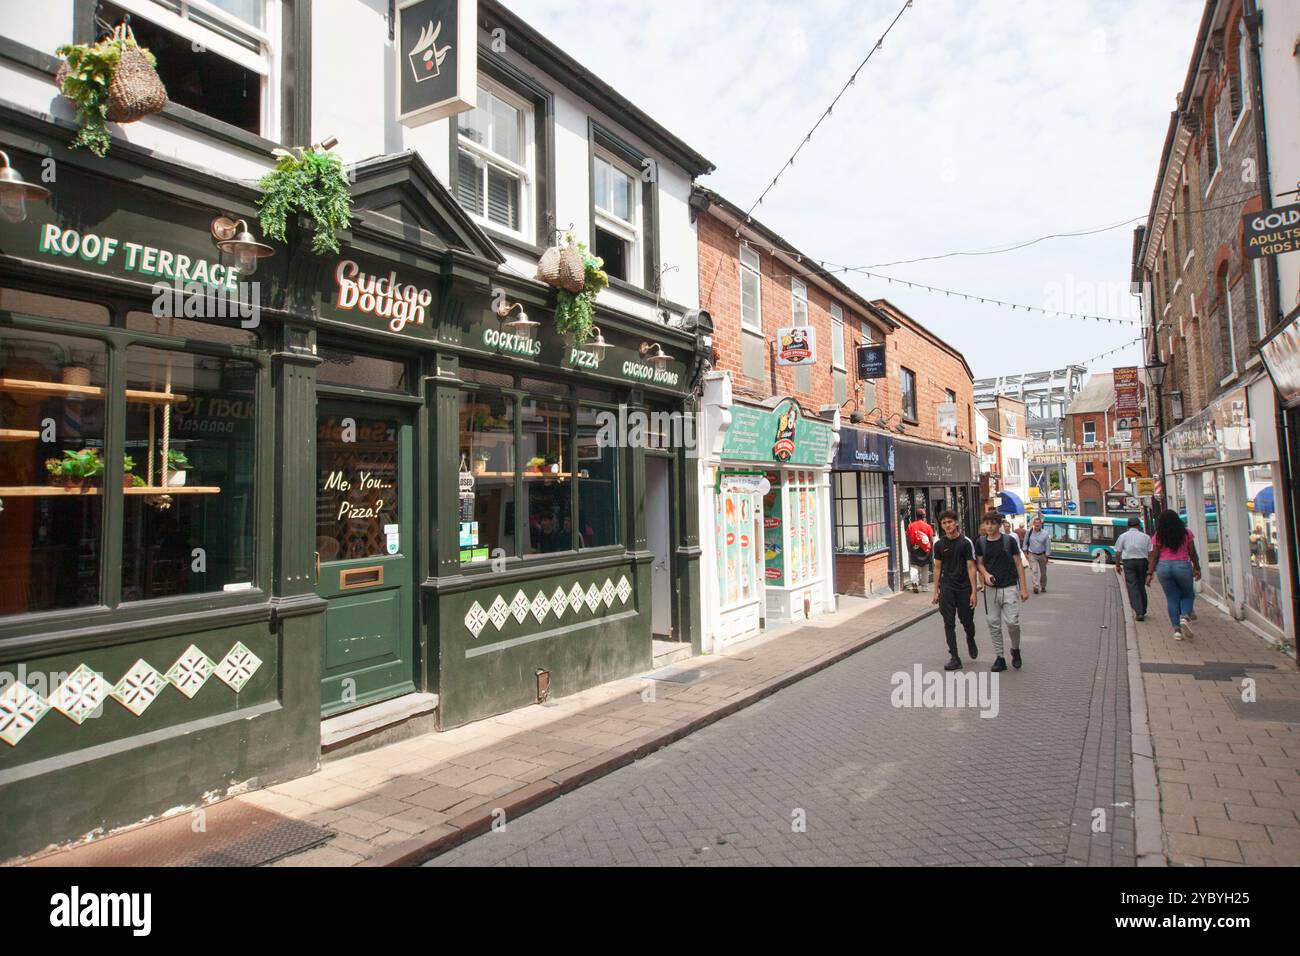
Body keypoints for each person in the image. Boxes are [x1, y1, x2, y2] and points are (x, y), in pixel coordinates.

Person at [976, 510, 1029, 672]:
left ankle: (1015, 649)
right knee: (993, 623)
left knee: (1012, 622)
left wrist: (1023, 588)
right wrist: (985, 575)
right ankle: (1000, 657)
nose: (990, 526)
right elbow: (979, 563)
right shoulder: (981, 543)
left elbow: (1019, 564)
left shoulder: (1009, 541)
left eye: (993, 523)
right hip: (991, 589)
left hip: (1009, 586)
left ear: (999, 525)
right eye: (987, 523)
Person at [931, 509, 979, 671]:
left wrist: (974, 591)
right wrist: (935, 591)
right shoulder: (939, 545)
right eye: (944, 523)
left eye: (950, 522)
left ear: (956, 523)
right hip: (947, 587)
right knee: (948, 623)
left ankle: (970, 638)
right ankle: (954, 656)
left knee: (966, 620)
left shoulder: (966, 543)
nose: (947, 525)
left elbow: (971, 567)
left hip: (964, 587)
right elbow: (937, 568)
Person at [1146, 509, 1201, 641]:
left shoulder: (1158, 535)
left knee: (1172, 598)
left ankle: (1177, 630)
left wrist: (1149, 573)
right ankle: (1184, 617)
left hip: (1163, 567)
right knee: (1188, 594)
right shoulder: (1186, 533)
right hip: (1182, 566)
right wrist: (1197, 568)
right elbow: (1192, 552)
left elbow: (1154, 555)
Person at [1114, 517, 1152, 621]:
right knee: (1141, 585)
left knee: (1132, 586)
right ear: (1139, 525)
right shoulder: (1146, 537)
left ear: (1128, 526)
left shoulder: (1123, 536)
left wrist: (1117, 565)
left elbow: (1118, 552)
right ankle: (1143, 609)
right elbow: (1150, 553)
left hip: (1129, 563)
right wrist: (1150, 570)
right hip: (1142, 562)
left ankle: (1139, 611)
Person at [906, 507, 936, 593]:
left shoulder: (911, 525)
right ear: (923, 516)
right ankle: (925, 587)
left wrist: (909, 549)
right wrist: (930, 549)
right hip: (925, 549)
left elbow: (908, 538)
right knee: (925, 568)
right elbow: (931, 539)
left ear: (916, 515)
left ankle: (915, 582)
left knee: (914, 566)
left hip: (914, 548)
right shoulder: (927, 526)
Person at [1025, 516, 1052, 593]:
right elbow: (1025, 542)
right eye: (1036, 524)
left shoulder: (1045, 533)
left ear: (1041, 524)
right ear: (1033, 524)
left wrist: (1047, 556)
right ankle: (1035, 586)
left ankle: (1043, 586)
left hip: (1042, 554)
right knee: (1034, 570)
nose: (1037, 525)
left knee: (1043, 572)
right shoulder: (1029, 532)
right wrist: (1025, 552)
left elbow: (1048, 545)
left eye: (1039, 524)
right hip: (1032, 554)